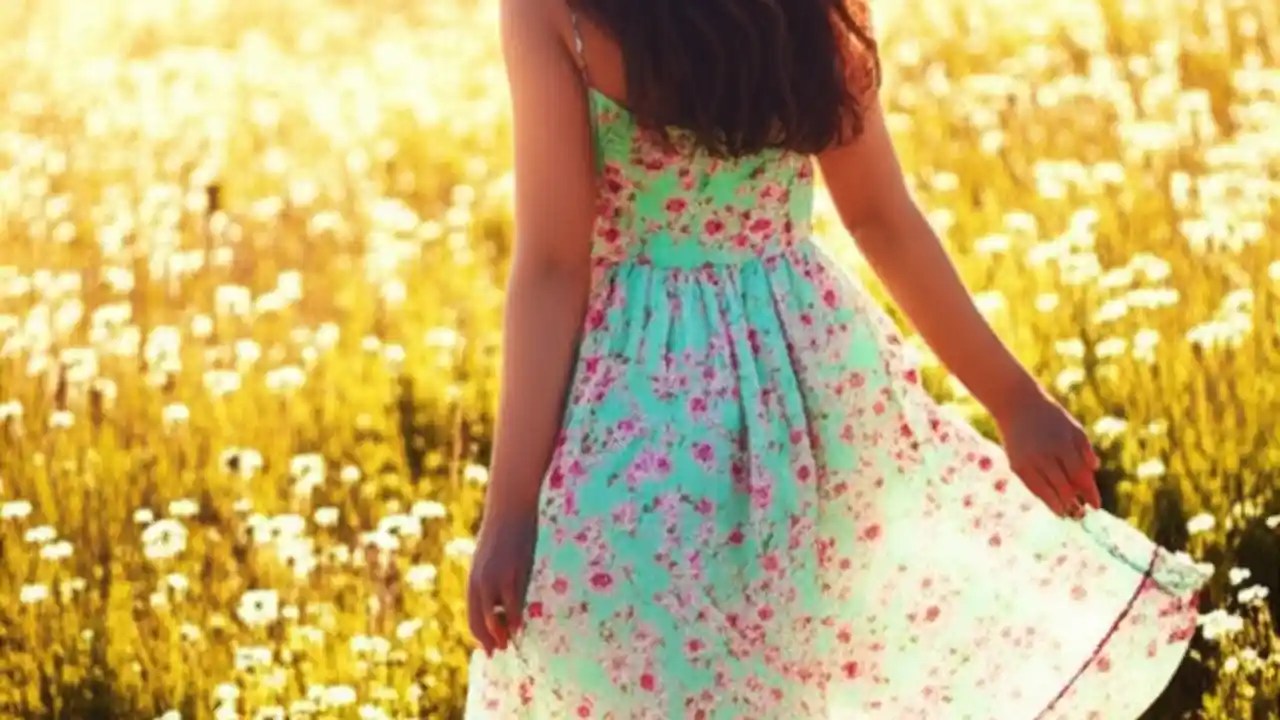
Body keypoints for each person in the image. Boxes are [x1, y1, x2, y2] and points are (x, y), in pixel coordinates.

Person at [464, 0, 1212, 716]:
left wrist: (510, 514)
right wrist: (1013, 402)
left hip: (647, 404)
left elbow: (555, 266)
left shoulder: (551, 7)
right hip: (803, 385)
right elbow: (881, 218)